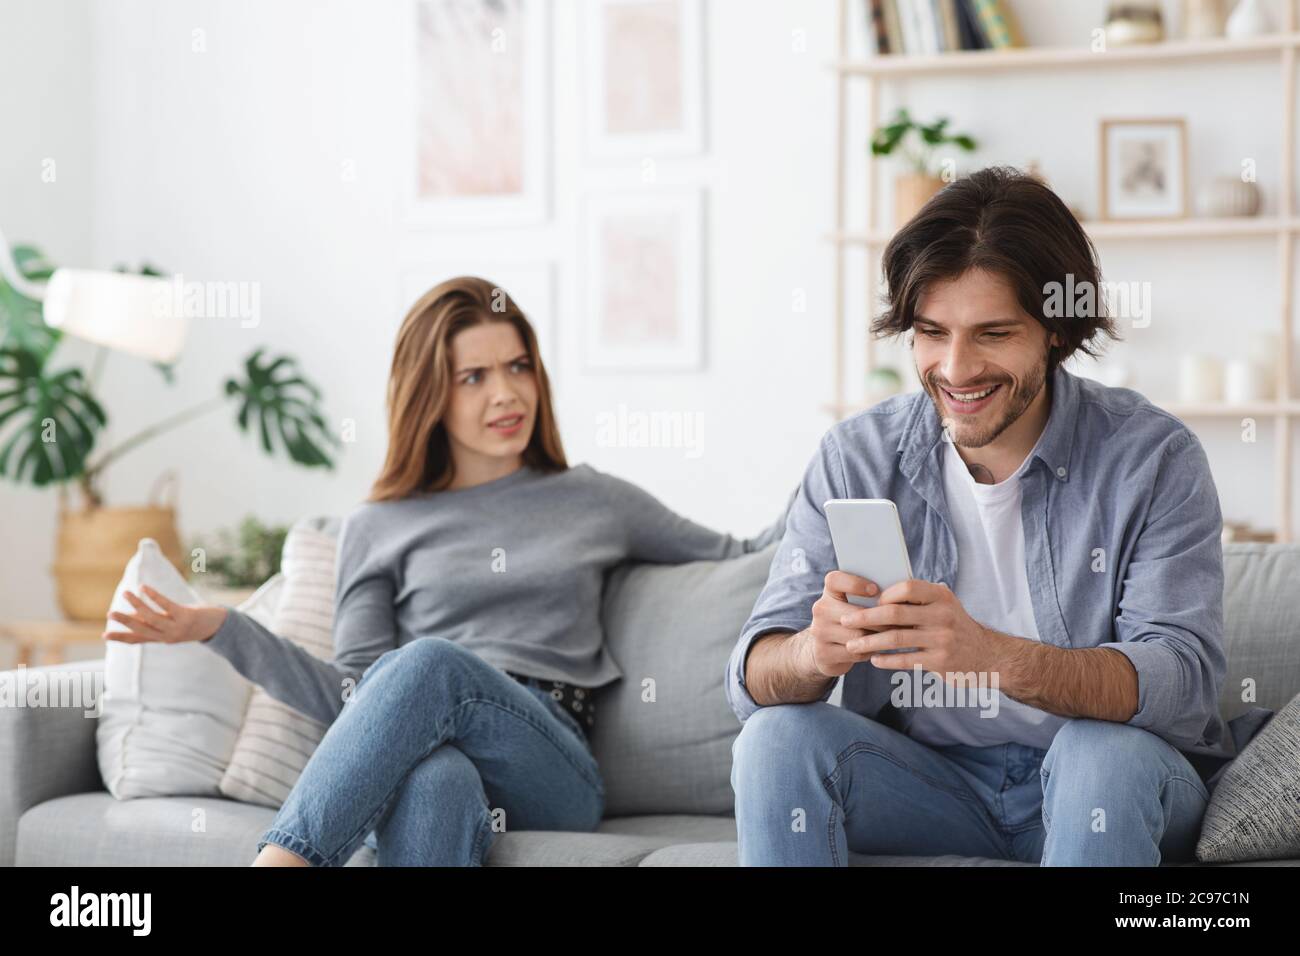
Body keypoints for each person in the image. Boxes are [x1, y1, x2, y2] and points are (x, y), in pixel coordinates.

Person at [105, 275, 782, 866]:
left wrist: (845, 466)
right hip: (434, 749)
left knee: (433, 664)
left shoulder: (591, 498)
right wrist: (223, 627)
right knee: (434, 777)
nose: (506, 394)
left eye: (518, 367)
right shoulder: (379, 525)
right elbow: (356, 699)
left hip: (551, 767)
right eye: (474, 377)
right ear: (430, 392)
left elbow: (742, 551)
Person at [724, 165, 1273, 867]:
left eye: (993, 333)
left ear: (1054, 330)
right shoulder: (859, 455)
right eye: (931, 332)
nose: (955, 369)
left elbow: (1181, 680)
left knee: (1097, 752)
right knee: (774, 741)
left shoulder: (1152, 457)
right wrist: (812, 652)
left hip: (1107, 782)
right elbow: (751, 678)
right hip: (932, 785)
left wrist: (994, 658)